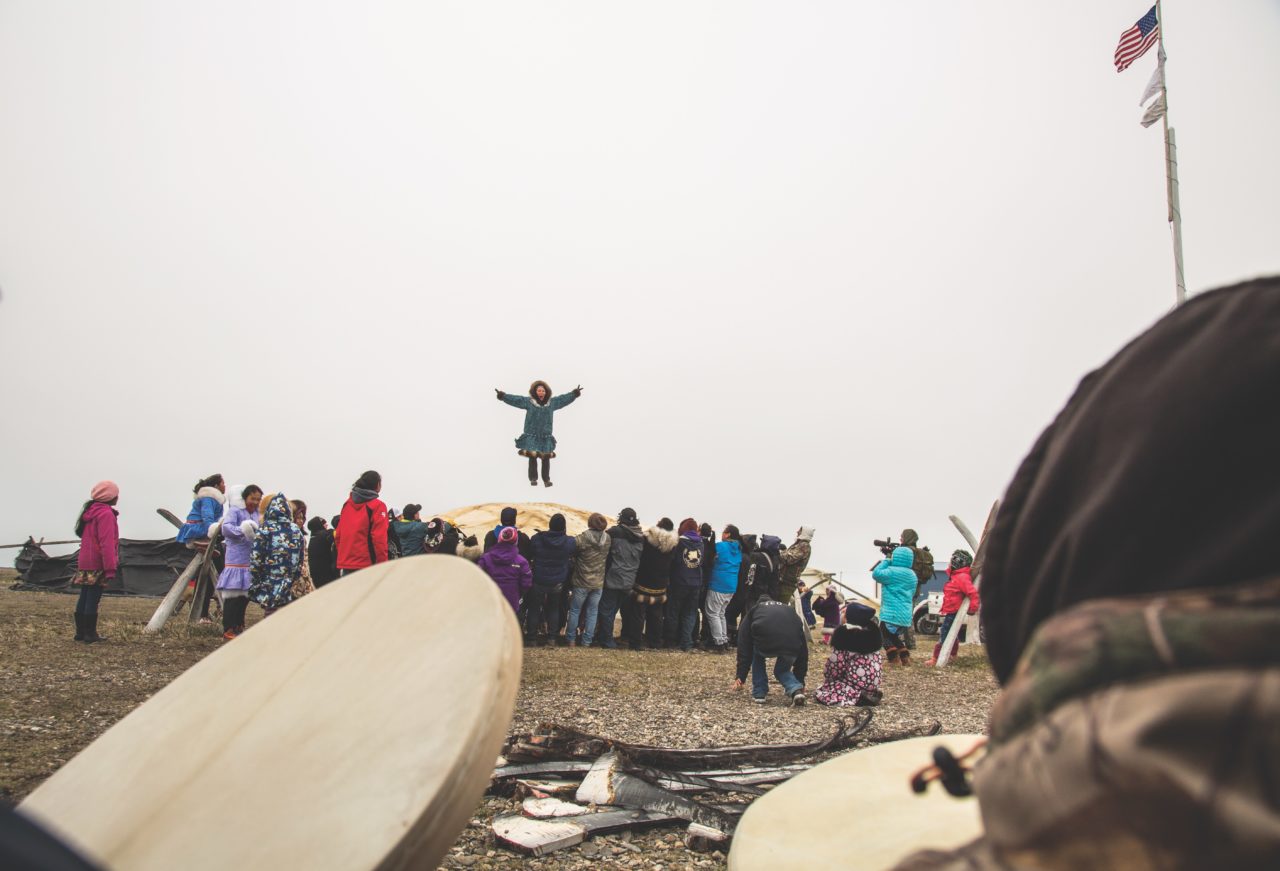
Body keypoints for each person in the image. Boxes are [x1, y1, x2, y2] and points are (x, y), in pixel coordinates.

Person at [892, 277, 1280, 870]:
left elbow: (965, 588)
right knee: (907, 633)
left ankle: (914, 653)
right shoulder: (933, 575)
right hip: (942, 611)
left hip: (957, 613)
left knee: (913, 633)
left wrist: (967, 596)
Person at [494, 380, 583, 487]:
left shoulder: (552, 403)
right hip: (532, 435)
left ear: (546, 392)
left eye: (543, 390)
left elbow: (563, 399)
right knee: (533, 457)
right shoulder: (529, 402)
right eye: (538, 390)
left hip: (546, 436)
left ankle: (546, 480)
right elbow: (516, 400)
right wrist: (503, 396)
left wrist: (574, 394)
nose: (541, 392)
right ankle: (533, 479)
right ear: (535, 392)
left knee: (546, 459)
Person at [734, 595, 809, 706]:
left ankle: (760, 693)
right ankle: (796, 690)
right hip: (791, 641)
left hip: (765, 639)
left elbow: (744, 645)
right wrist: (800, 679)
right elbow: (803, 649)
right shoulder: (788, 609)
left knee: (756, 653)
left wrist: (741, 676)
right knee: (781, 670)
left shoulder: (754, 611)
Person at [70, 481, 120, 643]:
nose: (118, 497)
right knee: (93, 598)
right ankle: (90, 634)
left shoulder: (91, 512)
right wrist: (110, 567)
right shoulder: (105, 514)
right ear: (110, 497)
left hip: (85, 561)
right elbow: (107, 543)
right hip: (98, 562)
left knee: (85, 595)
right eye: (116, 494)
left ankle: (81, 632)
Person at [214, 484, 262, 639]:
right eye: (252, 498)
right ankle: (228, 628)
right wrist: (244, 531)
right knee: (233, 596)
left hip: (250, 559)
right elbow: (226, 528)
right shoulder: (235, 511)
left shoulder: (257, 513)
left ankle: (239, 625)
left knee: (245, 597)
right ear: (245, 497)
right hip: (236, 559)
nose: (255, 502)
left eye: (258, 499)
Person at [814, 602, 883, 707]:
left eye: (844, 613)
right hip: (873, 683)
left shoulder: (845, 636)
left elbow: (835, 665)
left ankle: (857, 697)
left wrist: (829, 678)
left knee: (823, 692)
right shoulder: (872, 635)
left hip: (854, 683)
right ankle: (869, 693)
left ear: (848, 617)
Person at [248, 493, 305, 616]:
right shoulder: (296, 530)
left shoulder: (264, 529)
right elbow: (301, 557)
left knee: (271, 610)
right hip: (289, 579)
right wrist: (295, 575)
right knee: (286, 612)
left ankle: (270, 632)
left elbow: (256, 556)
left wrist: (256, 577)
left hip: (269, 578)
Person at [524, 513, 577, 646]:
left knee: (534, 608)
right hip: (557, 581)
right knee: (554, 608)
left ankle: (531, 638)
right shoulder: (569, 542)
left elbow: (531, 552)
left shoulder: (537, 539)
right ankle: (552, 638)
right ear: (564, 527)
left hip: (539, 578)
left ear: (550, 525)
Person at [598, 508, 644, 649]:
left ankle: (607, 640)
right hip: (630, 580)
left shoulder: (613, 533)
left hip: (613, 577)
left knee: (607, 610)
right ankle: (614, 638)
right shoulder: (641, 537)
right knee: (615, 608)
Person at [629, 517, 677, 649]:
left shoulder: (647, 538)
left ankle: (635, 642)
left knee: (638, 613)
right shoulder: (673, 544)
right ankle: (655, 642)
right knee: (656, 615)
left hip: (643, 580)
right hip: (660, 583)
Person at [926, 549, 980, 666]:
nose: (950, 563)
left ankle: (936, 658)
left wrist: (972, 608)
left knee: (944, 634)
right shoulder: (957, 576)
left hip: (954, 612)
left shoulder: (961, 578)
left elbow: (973, 594)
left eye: (952, 561)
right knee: (952, 634)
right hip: (952, 610)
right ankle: (953, 655)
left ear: (957, 563)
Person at [565, 513, 611, 647]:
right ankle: (587, 641)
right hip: (598, 582)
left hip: (581, 580)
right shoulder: (607, 539)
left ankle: (571, 639)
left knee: (575, 610)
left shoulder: (583, 537)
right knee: (593, 612)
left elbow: (572, 548)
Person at [335, 470, 389, 576]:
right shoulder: (377, 506)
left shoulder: (347, 505)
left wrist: (345, 557)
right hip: (367, 565)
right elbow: (379, 539)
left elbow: (339, 535)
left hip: (347, 564)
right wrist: (383, 565)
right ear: (377, 485)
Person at [872, 545, 917, 665]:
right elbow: (912, 592)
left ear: (895, 557)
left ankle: (893, 658)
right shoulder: (912, 575)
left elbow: (876, 574)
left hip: (891, 614)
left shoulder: (891, 572)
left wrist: (887, 560)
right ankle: (905, 657)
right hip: (905, 615)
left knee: (883, 636)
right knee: (894, 637)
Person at [665, 518, 704, 651]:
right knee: (690, 613)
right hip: (696, 582)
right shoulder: (701, 543)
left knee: (673, 612)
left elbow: (674, 560)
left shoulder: (679, 542)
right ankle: (686, 642)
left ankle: (671, 641)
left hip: (679, 581)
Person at [475, 526, 532, 614]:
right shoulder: (522, 561)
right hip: (511, 602)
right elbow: (526, 583)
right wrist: (517, 593)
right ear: (515, 542)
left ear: (499, 539)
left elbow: (478, 578)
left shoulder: (485, 558)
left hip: (491, 600)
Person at [705, 525, 743, 653]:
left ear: (728, 534)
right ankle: (723, 638)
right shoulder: (738, 549)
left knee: (712, 613)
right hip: (731, 585)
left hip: (718, 583)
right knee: (721, 613)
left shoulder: (721, 546)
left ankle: (718, 643)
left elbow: (711, 556)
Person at [175, 474, 225, 543]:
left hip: (203, 527)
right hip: (198, 529)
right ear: (216, 486)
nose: (225, 486)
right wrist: (212, 531)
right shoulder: (208, 498)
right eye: (223, 483)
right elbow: (207, 516)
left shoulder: (214, 499)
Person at [775, 527, 814, 605]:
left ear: (804, 533)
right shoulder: (799, 544)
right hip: (784, 581)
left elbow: (789, 559)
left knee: (780, 606)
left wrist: (778, 553)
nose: (797, 532)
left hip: (787, 582)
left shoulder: (804, 546)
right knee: (778, 605)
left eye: (799, 531)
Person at [289, 500, 315, 600]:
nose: (300, 521)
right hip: (296, 580)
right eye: (298, 518)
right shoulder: (292, 536)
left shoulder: (301, 536)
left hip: (303, 578)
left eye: (302, 518)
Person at [306, 517, 339, 587]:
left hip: (316, 578)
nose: (326, 525)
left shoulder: (312, 539)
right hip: (328, 576)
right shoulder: (326, 534)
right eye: (324, 523)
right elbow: (340, 534)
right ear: (319, 525)